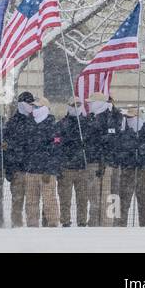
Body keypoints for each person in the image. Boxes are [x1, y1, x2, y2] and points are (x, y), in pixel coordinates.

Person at [19, 97, 61, 226]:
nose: (34, 109)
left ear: (44, 108)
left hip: (46, 172)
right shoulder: (29, 124)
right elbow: (25, 148)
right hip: (31, 170)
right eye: (34, 107)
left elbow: (55, 151)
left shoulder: (52, 125)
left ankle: (53, 224)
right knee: (31, 201)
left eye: (37, 107)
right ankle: (32, 226)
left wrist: (49, 169)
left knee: (49, 201)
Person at [83, 93, 122, 226]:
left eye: (92, 102)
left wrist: (104, 160)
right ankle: (93, 222)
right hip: (93, 161)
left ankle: (107, 224)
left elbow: (111, 140)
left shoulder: (111, 116)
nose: (89, 104)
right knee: (93, 196)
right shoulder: (91, 118)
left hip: (107, 163)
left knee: (107, 196)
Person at [2, 91, 37, 227]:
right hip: (18, 169)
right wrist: (9, 169)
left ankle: (33, 225)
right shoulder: (12, 123)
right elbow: (7, 148)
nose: (30, 106)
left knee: (33, 202)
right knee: (17, 200)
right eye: (29, 103)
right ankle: (16, 225)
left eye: (32, 103)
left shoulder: (35, 120)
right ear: (22, 104)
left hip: (33, 169)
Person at [56, 95, 90, 225]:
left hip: (82, 167)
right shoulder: (62, 123)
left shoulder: (86, 123)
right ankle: (65, 221)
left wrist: (84, 144)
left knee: (82, 199)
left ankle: (82, 222)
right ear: (68, 106)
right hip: (66, 168)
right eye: (73, 105)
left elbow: (92, 142)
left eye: (78, 105)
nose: (76, 108)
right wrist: (70, 142)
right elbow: (57, 142)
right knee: (65, 199)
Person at [111, 106, 143, 227]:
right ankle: (120, 225)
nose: (129, 119)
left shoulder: (144, 131)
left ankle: (144, 226)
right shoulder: (123, 132)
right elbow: (119, 149)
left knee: (143, 202)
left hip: (141, 170)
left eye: (131, 117)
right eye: (127, 117)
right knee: (123, 201)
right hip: (126, 169)